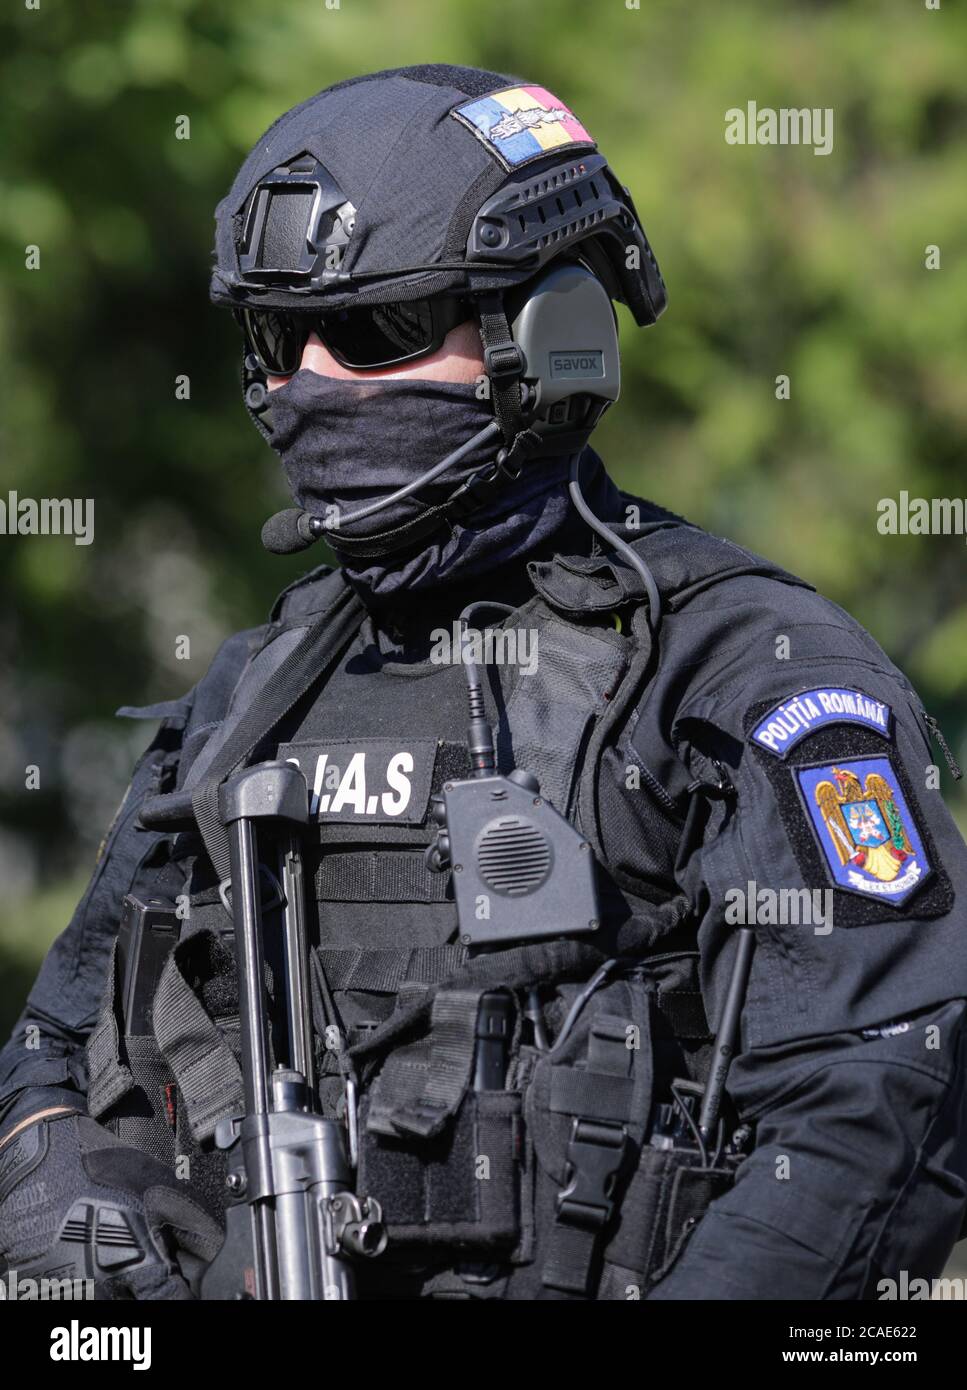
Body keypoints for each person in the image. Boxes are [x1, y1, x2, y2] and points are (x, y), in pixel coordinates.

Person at [2, 63, 966, 1302]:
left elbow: (890, 1091)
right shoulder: (255, 690)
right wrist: (61, 1191)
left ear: (546, 337)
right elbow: (55, 1043)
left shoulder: (746, 671)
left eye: (372, 331)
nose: (307, 380)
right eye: (272, 337)